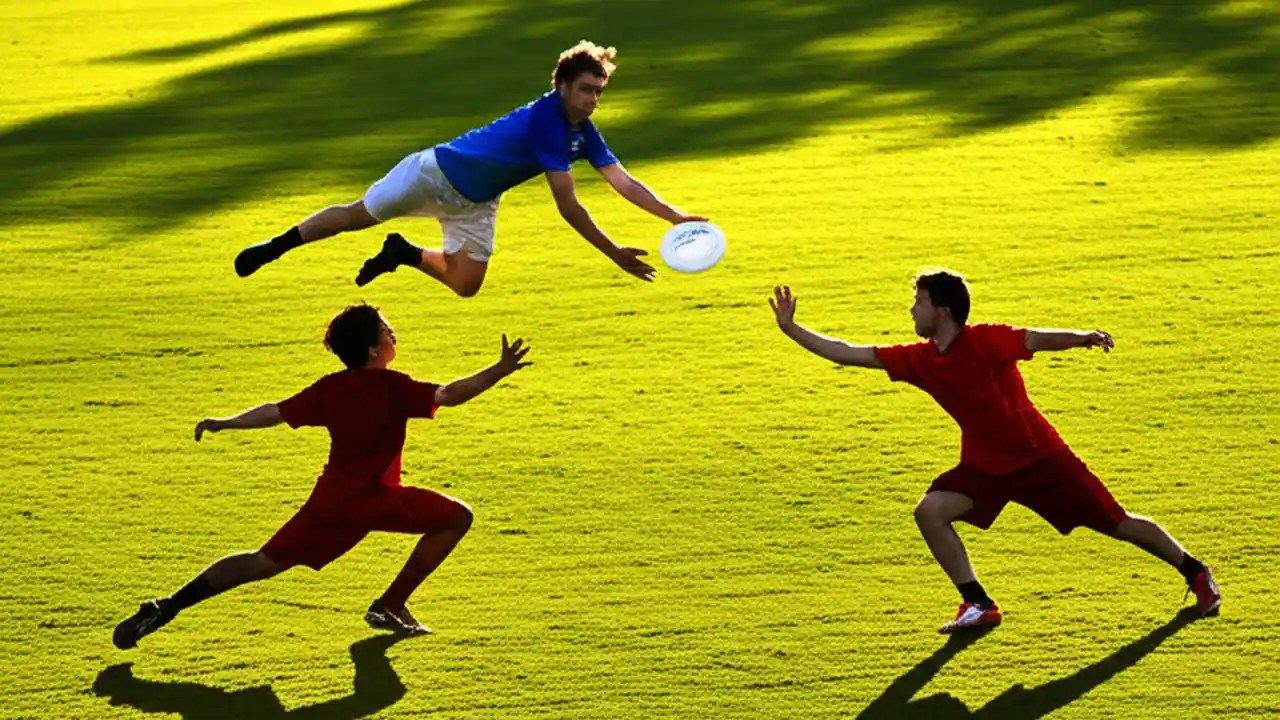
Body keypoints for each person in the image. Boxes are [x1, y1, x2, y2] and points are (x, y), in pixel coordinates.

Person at [767, 273, 1221, 633]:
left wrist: (1083, 337)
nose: (912, 309)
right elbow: (846, 353)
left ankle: (1195, 571)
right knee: (930, 511)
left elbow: (1036, 338)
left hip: (1041, 460)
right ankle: (979, 604)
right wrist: (791, 329)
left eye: (919, 302)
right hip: (984, 469)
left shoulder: (986, 340)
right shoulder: (920, 359)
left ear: (941, 310)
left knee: (1118, 524)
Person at [112, 303, 531, 649]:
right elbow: (448, 395)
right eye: (387, 331)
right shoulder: (392, 387)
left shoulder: (330, 388)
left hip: (331, 504)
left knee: (262, 561)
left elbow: (275, 411)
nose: (393, 335)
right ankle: (389, 604)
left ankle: (167, 606)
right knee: (458, 517)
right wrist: (499, 370)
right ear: (372, 350)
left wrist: (226, 423)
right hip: (377, 501)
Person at [233, 40, 706, 296]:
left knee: (465, 284)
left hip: (475, 201)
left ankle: (403, 253)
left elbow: (623, 182)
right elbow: (568, 204)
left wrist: (675, 218)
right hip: (434, 174)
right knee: (355, 217)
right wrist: (613, 252)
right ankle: (275, 246)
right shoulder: (548, 120)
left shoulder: (583, 131)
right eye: (586, 89)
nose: (593, 100)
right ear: (561, 85)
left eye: (599, 92)